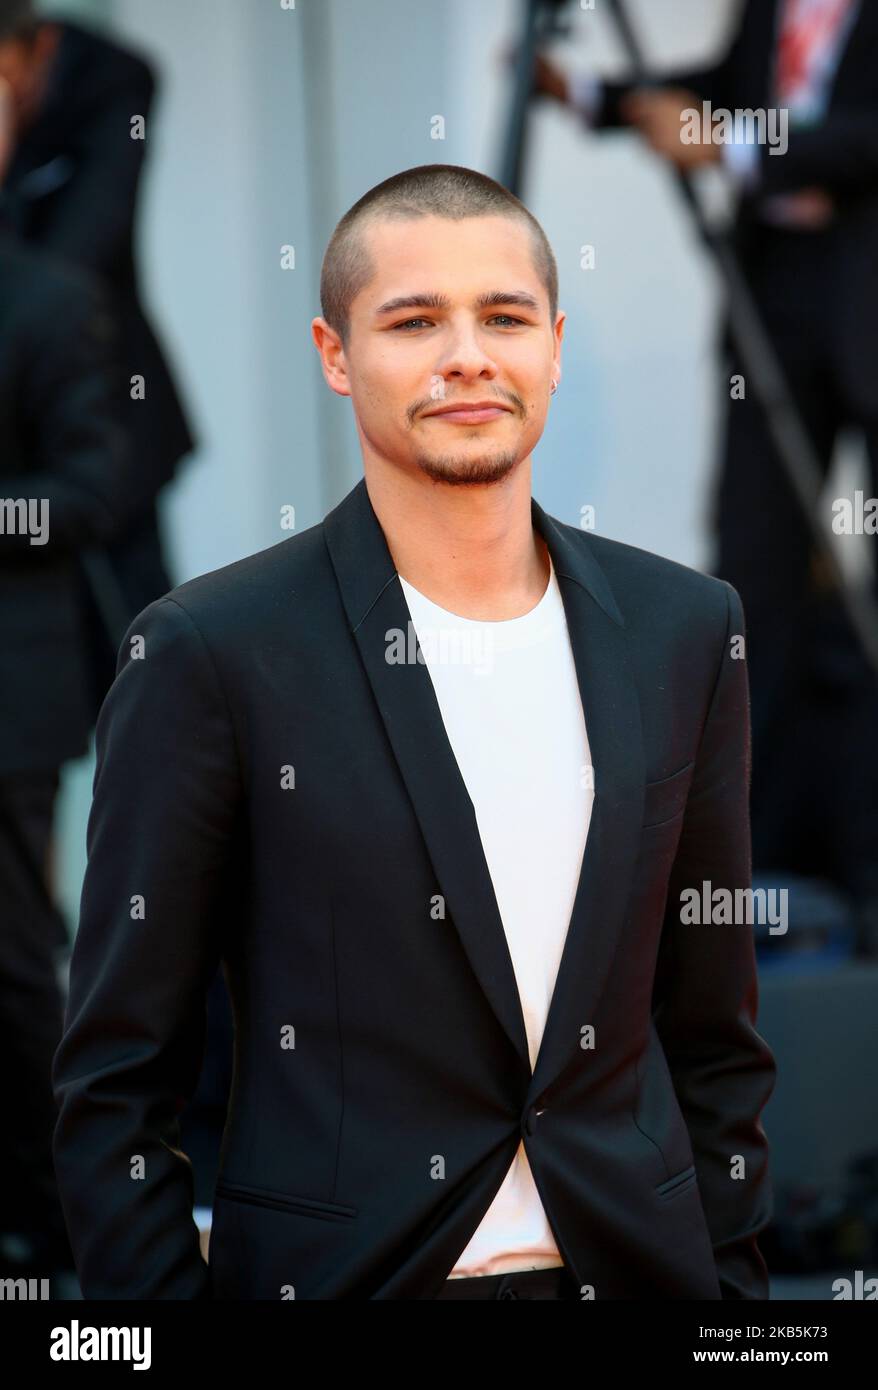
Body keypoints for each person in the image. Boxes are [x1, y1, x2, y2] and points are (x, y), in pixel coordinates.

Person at [52, 162, 776, 1301]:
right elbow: (116, 1075)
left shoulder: (685, 628)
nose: (466, 356)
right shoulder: (211, 649)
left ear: (551, 343)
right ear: (335, 354)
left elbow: (712, 1032)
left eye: (503, 316)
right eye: (412, 320)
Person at [531, 0, 878, 939]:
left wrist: (729, 151)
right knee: (750, 567)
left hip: (864, 287)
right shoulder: (774, 9)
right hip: (775, 295)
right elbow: (726, 87)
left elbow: (843, 135)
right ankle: (747, 862)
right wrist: (598, 96)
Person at [0, 231, 141, 1289]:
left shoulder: (46, 295)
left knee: (12, 968)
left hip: (13, 693)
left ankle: (62, 1234)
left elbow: (96, 486)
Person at [0, 0, 195, 714]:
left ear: (39, 49)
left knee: (144, 671)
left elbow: (82, 250)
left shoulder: (113, 84)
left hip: (106, 415)